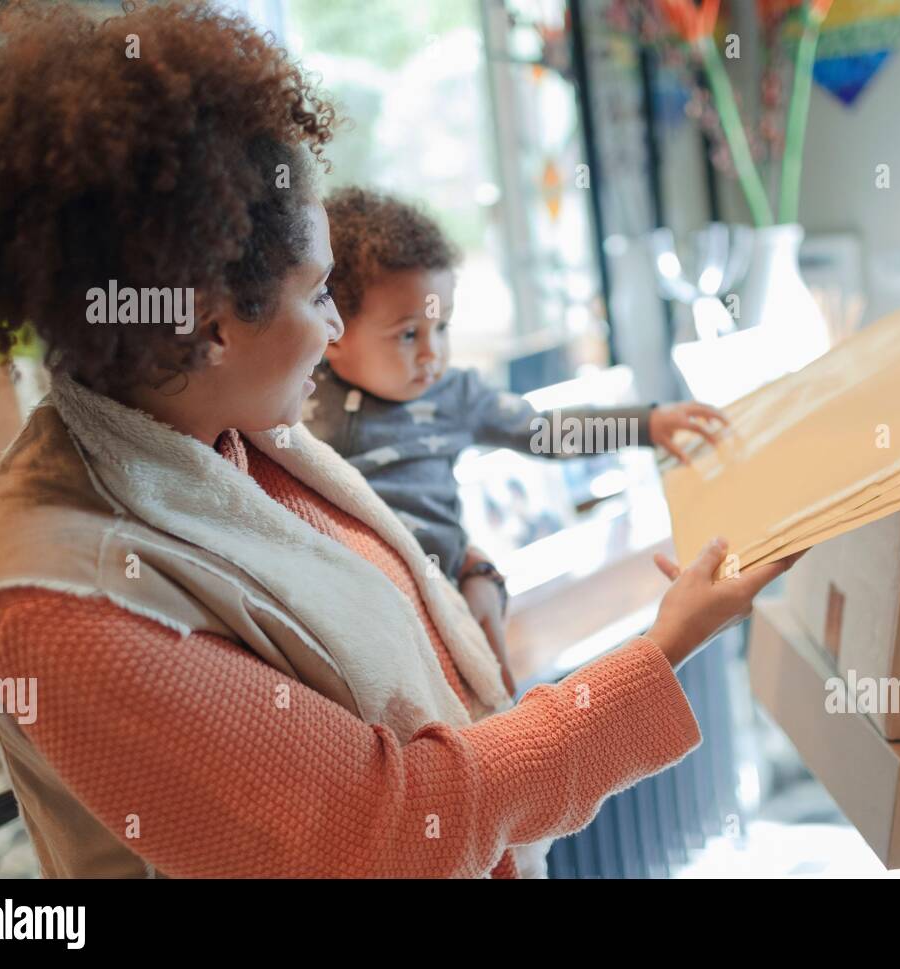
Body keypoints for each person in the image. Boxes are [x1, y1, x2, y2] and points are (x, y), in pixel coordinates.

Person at [0, 0, 796, 879]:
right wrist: (662, 650)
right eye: (317, 295)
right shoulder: (61, 601)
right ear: (206, 324)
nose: (336, 323)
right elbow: (392, 825)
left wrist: (469, 575)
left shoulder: (225, 431)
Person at [305, 188, 728, 692]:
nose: (432, 355)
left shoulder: (454, 394)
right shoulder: (299, 402)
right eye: (407, 335)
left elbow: (546, 431)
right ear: (334, 333)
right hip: (354, 620)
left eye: (441, 328)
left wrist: (646, 424)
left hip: (446, 606)